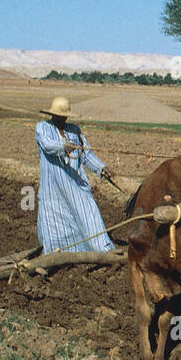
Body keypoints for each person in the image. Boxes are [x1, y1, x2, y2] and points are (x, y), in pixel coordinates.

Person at [34, 97, 116, 254]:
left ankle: (101, 249)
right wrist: (63, 146)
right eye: (59, 115)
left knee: (88, 213)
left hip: (75, 184)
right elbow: (47, 145)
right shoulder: (42, 128)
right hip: (53, 186)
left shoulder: (74, 130)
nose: (62, 118)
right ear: (52, 114)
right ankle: (54, 253)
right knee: (54, 220)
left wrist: (102, 168)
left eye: (64, 115)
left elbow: (86, 154)